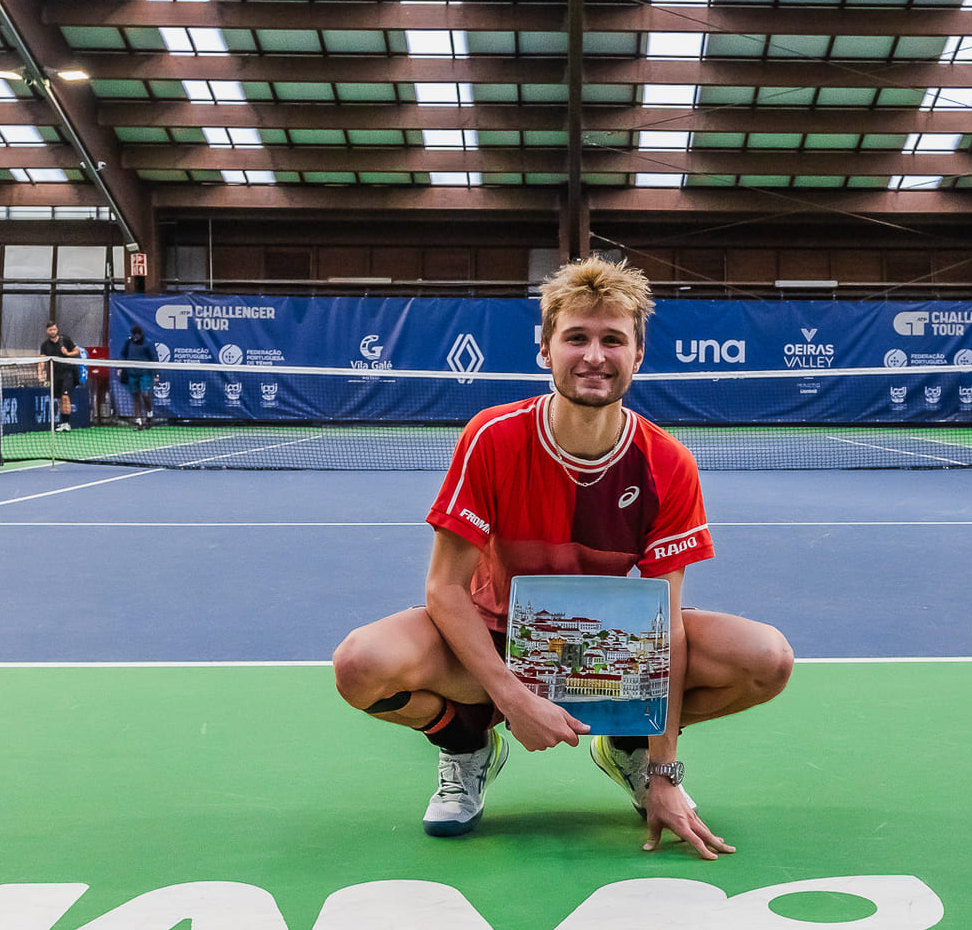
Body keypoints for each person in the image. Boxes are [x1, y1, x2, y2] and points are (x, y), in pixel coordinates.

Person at [331, 258, 792, 858]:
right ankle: (468, 742)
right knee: (361, 665)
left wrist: (664, 773)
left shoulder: (667, 464)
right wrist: (512, 700)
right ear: (546, 349)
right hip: (493, 636)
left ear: (639, 354)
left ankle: (627, 743)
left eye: (612, 339)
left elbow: (665, 623)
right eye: (576, 337)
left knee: (766, 659)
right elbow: (445, 589)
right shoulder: (491, 437)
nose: (594, 355)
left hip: (604, 647)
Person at [38, 321, 82, 431]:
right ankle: (63, 423)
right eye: (50, 330)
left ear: (57, 330)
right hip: (55, 375)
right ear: (47, 331)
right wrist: (40, 374)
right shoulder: (45, 345)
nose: (53, 331)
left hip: (68, 373)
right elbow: (42, 360)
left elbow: (77, 352)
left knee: (65, 397)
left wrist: (68, 354)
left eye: (54, 329)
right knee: (59, 399)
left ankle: (67, 423)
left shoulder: (65, 340)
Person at [118, 324, 157, 428]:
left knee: (145, 395)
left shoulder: (148, 343)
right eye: (134, 335)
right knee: (135, 396)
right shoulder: (128, 342)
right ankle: (138, 421)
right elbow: (123, 355)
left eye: (137, 335)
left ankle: (149, 415)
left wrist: (156, 373)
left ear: (141, 335)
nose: (135, 338)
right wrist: (120, 367)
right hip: (132, 374)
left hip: (145, 374)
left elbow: (154, 358)